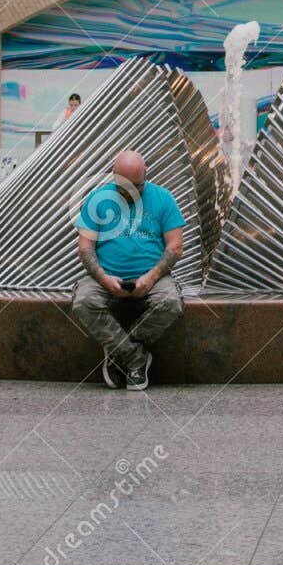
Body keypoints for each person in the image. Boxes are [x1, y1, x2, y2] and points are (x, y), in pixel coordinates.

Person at [70, 150, 185, 391]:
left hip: (152, 275)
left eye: (137, 186)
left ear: (147, 176)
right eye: (123, 187)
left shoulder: (163, 198)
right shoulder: (97, 199)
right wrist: (102, 278)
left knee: (170, 303)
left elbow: (175, 246)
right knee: (84, 301)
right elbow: (85, 248)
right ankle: (135, 357)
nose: (130, 193)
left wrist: (151, 277)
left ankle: (119, 351)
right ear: (113, 177)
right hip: (106, 274)